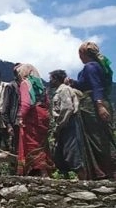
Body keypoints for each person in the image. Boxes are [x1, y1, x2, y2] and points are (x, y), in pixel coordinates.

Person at [66, 41, 114, 180]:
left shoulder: (90, 66)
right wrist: (73, 83)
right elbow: (86, 85)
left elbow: (96, 86)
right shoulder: (98, 66)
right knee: (100, 136)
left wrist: (99, 105)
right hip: (97, 103)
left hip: (93, 106)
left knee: (98, 139)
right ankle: (103, 172)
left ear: (83, 53)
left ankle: (108, 171)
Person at [15, 64, 53, 176]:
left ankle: (38, 171)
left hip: (32, 116)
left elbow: (26, 104)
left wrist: (21, 117)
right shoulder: (40, 85)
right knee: (42, 144)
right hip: (43, 115)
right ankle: (45, 171)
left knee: (32, 144)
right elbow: (48, 102)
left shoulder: (25, 83)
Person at [49, 70, 85, 179]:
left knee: (72, 152)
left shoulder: (64, 90)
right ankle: (65, 180)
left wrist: (59, 126)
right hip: (64, 124)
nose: (50, 81)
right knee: (59, 154)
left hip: (68, 124)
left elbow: (67, 108)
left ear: (56, 79)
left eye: (51, 79)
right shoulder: (60, 91)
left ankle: (83, 180)